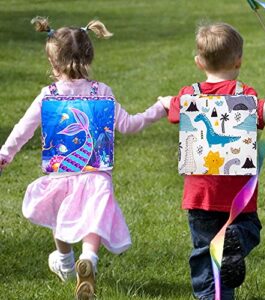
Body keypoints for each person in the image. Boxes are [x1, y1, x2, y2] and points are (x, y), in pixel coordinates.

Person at [0, 17, 168, 300]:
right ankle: (88, 258)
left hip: (62, 172)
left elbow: (23, 129)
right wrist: (160, 107)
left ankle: (65, 261)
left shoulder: (47, 95)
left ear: (53, 63)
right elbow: (130, 125)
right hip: (96, 175)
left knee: (60, 216)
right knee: (94, 221)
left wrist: (5, 155)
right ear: (89, 56)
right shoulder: (101, 92)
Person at [158, 22, 265, 300]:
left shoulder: (187, 95)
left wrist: (164, 101)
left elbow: (173, 111)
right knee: (247, 232)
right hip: (237, 198)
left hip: (201, 197)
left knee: (207, 257)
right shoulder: (244, 94)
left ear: (198, 62)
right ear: (239, 59)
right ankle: (237, 238)